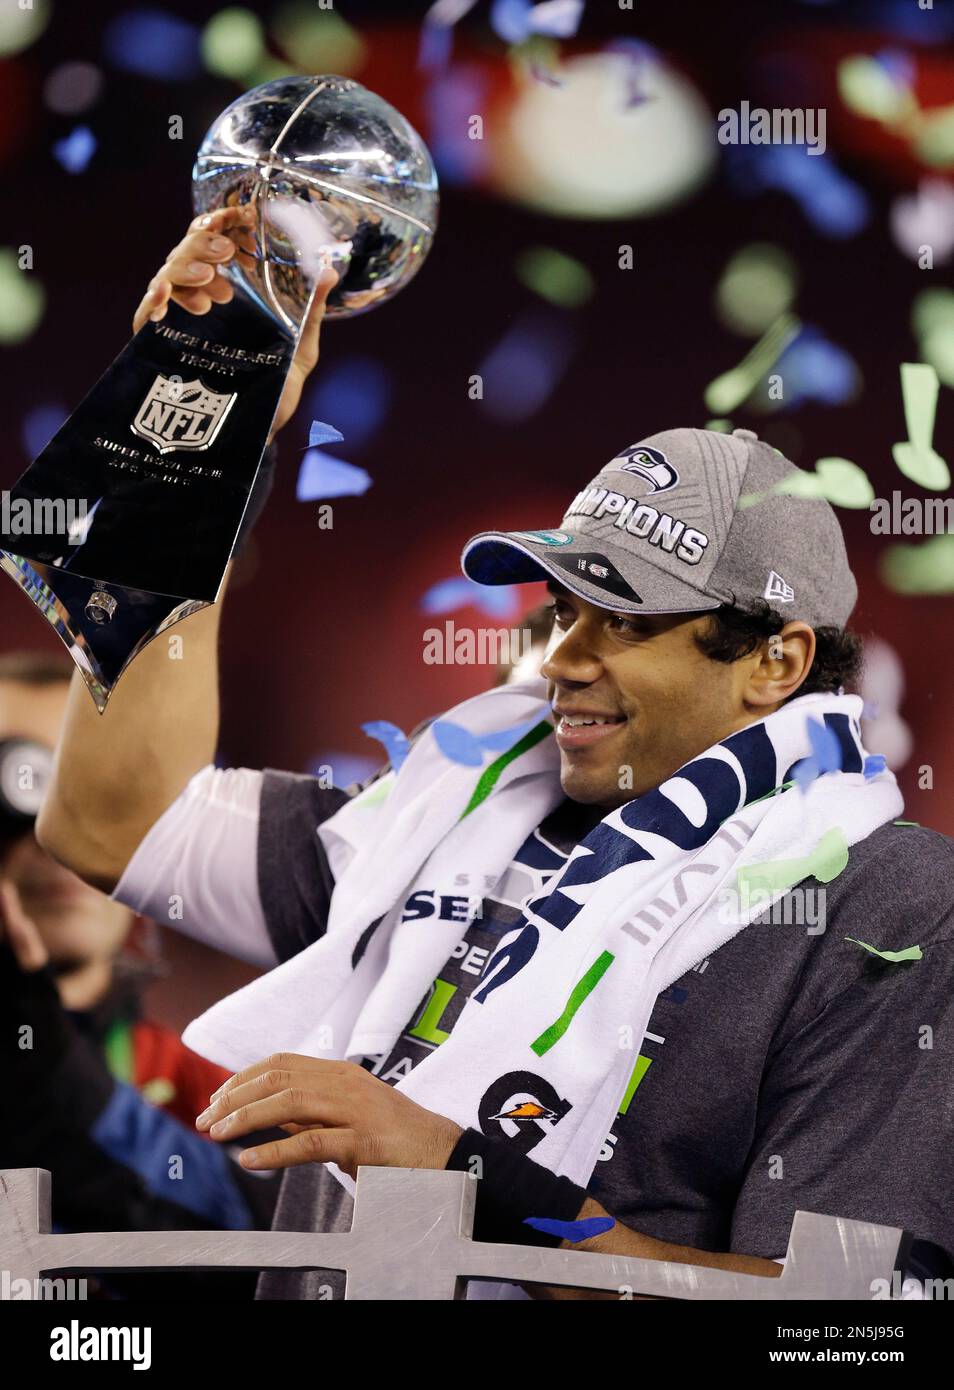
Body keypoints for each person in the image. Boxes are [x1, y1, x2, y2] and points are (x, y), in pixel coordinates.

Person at [34, 206, 954, 1301]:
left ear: (774, 660)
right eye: (562, 612)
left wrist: (463, 1176)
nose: (561, 658)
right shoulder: (453, 811)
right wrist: (200, 450)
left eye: (623, 621)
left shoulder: (891, 905)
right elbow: (106, 820)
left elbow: (845, 1323)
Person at [0, 650, 280, 1298]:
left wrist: (32, 1053)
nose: (50, 840)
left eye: (92, 799)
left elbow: (262, 1266)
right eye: (17, 783)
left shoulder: (220, 1100)